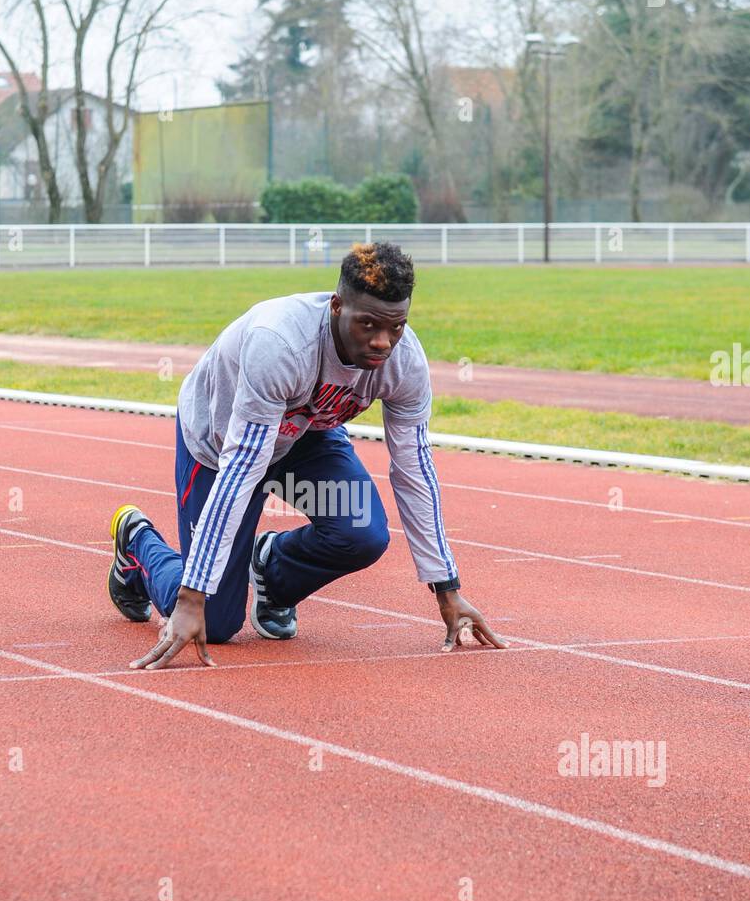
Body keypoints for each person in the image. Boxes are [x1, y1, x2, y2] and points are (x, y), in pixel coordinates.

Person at [107, 241, 506, 669]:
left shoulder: (404, 362)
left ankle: (272, 571)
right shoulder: (280, 344)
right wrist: (191, 596)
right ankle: (137, 544)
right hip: (221, 445)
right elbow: (243, 468)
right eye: (368, 324)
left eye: (396, 327)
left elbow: (414, 469)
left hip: (304, 439)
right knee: (215, 622)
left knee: (362, 534)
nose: (381, 342)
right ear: (337, 307)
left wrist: (446, 588)